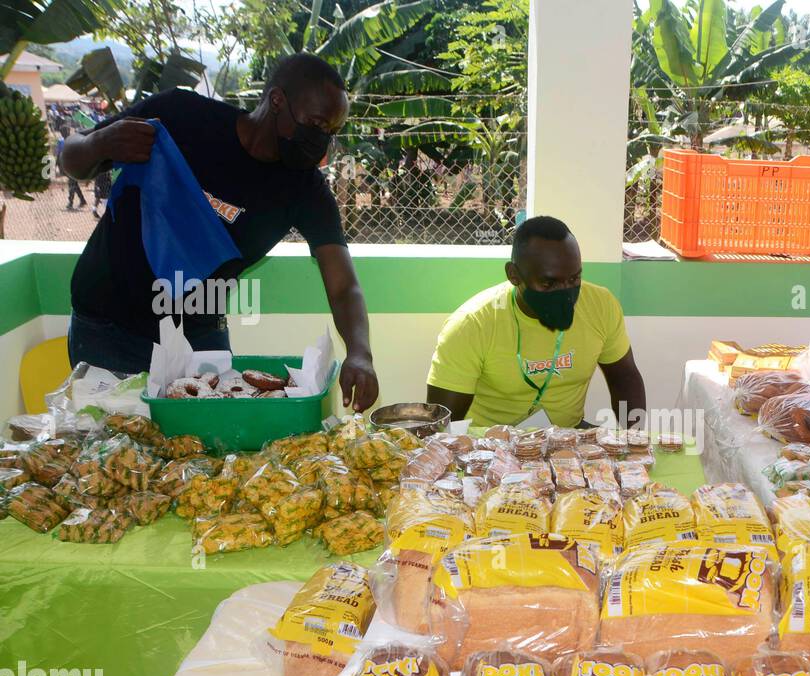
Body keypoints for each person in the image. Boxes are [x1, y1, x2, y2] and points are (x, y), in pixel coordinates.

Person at [58, 53, 379, 410]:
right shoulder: (182, 115)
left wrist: (360, 353)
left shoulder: (305, 190)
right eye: (316, 124)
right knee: (116, 453)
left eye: (331, 132)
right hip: (108, 325)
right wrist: (99, 143)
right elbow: (70, 157)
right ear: (276, 101)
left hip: (197, 334)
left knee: (211, 453)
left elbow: (344, 284)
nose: (322, 142)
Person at [426, 216, 647, 428]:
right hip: (492, 446)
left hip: (567, 437)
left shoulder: (600, 305)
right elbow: (443, 423)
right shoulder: (472, 324)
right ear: (514, 275)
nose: (565, 295)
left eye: (573, 279)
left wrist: (634, 439)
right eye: (548, 283)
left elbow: (624, 377)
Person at [56, 129, 87, 211]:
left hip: (67, 164)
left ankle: (71, 202)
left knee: (72, 184)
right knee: (73, 183)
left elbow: (58, 153)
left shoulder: (61, 141)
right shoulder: (73, 140)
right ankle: (82, 200)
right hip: (73, 164)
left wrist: (57, 164)